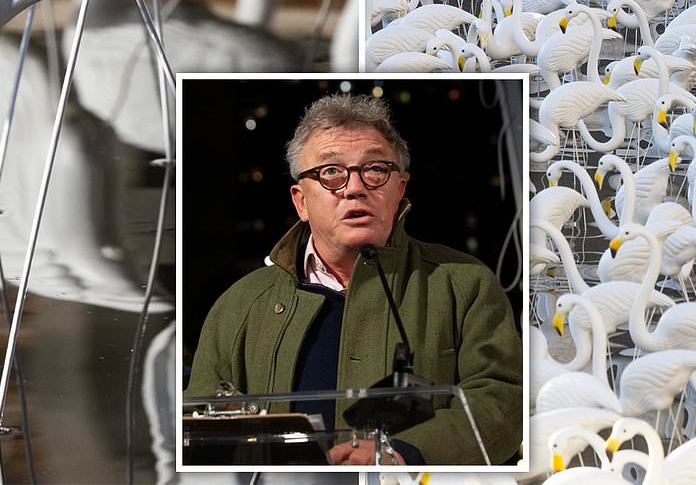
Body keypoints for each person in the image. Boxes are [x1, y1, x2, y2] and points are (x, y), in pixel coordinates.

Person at [184, 94, 522, 467]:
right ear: (300, 201)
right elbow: (198, 427)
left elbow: (503, 401)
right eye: (331, 172)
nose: (355, 187)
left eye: (375, 169)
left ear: (400, 190)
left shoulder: (463, 284)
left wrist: (405, 453)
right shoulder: (241, 304)